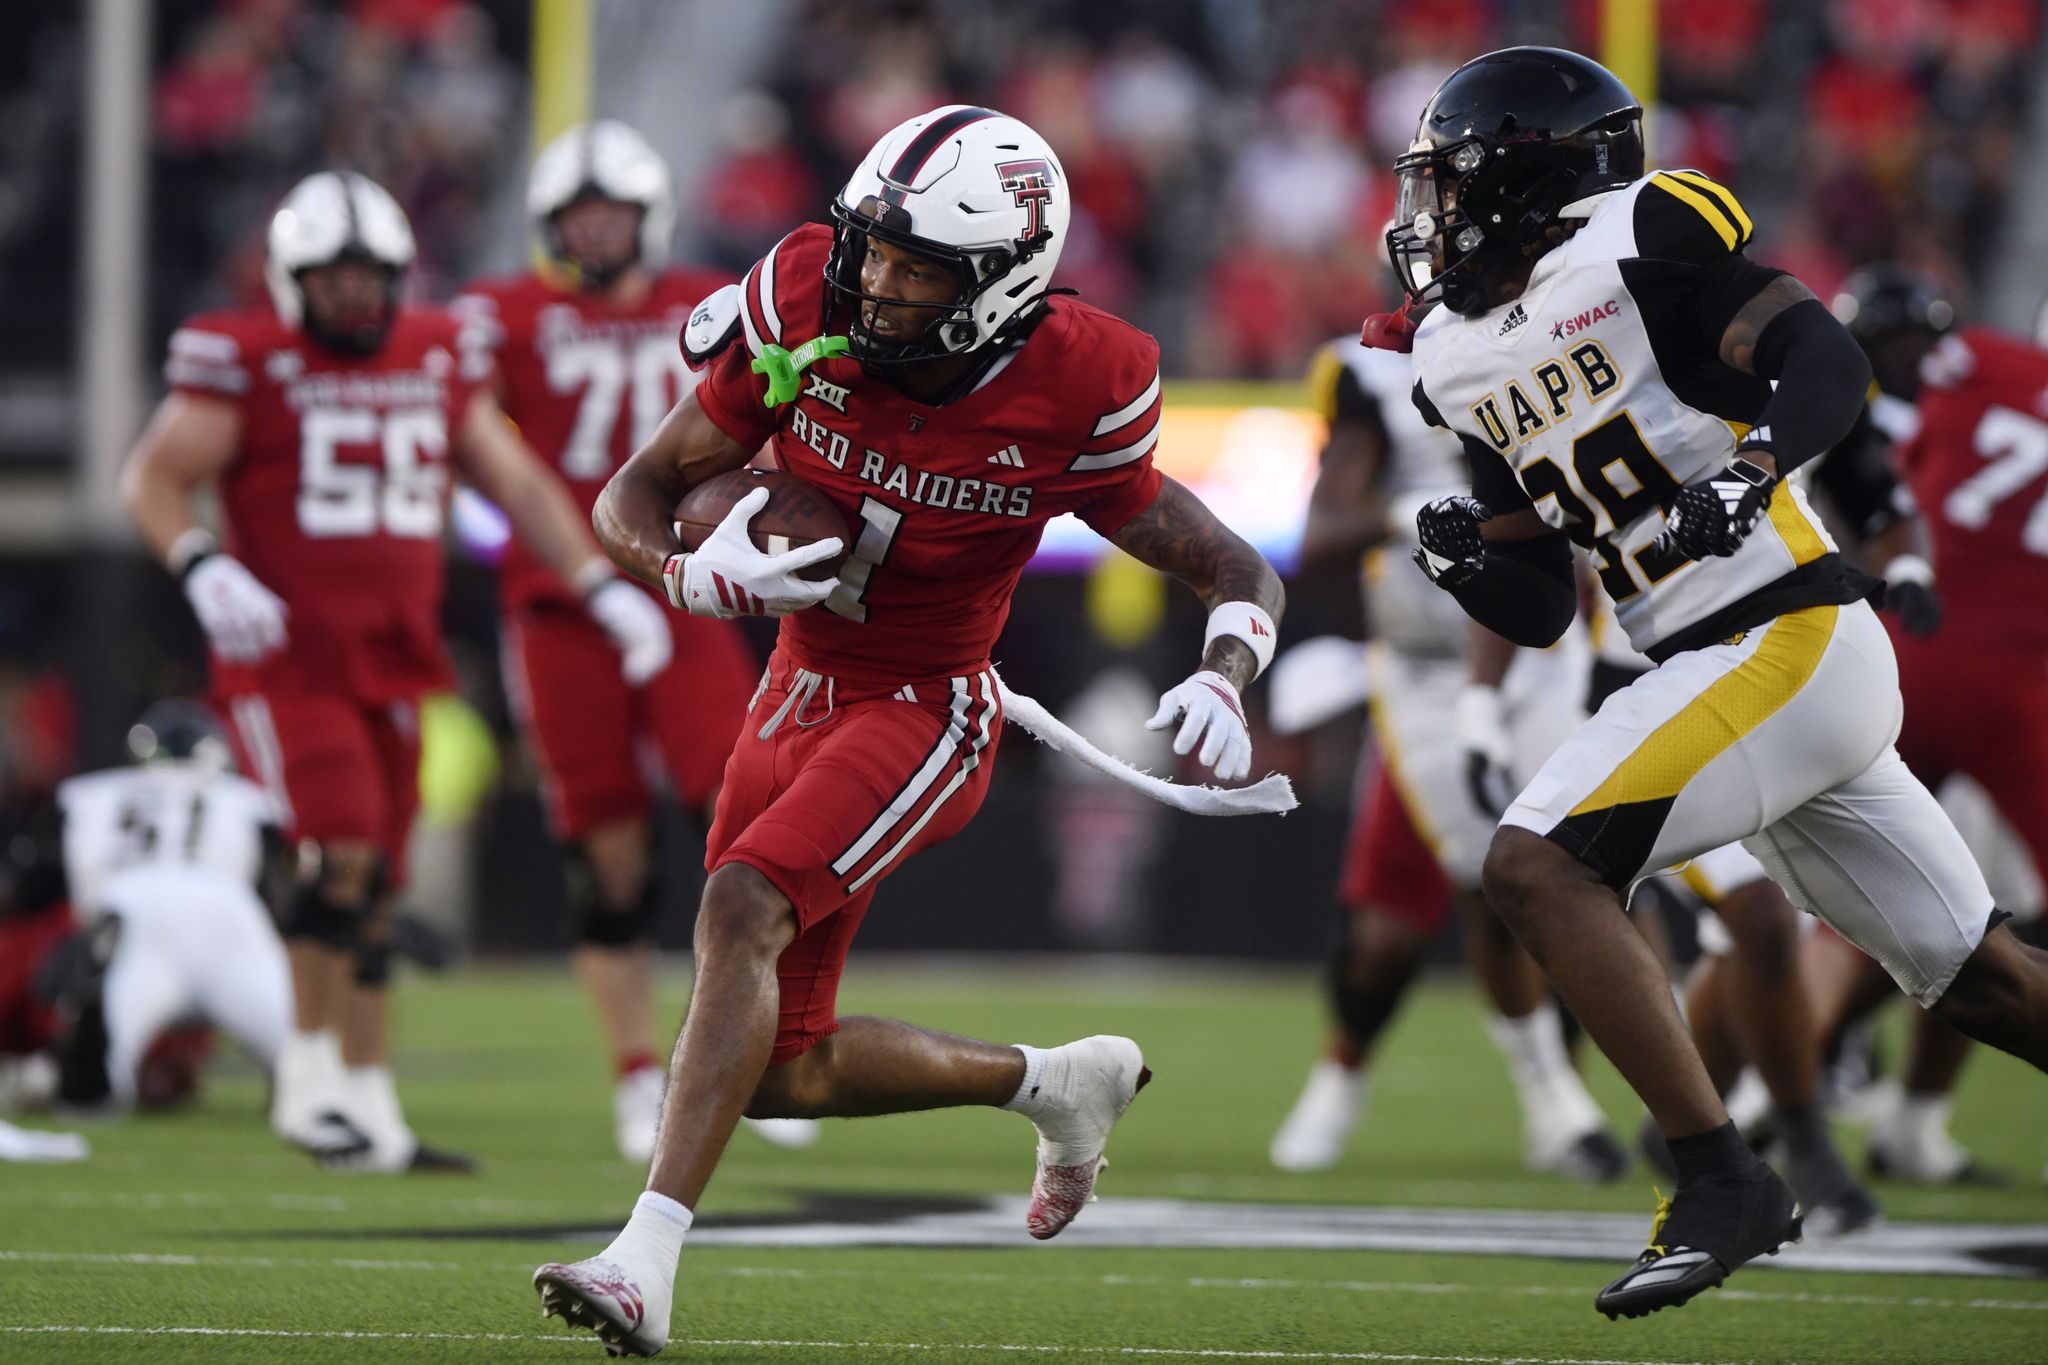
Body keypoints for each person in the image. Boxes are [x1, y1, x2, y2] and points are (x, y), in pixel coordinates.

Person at [533, 105, 1285, 1356]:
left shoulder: (1077, 384)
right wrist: (687, 575)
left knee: (735, 909)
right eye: (869, 250)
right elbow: (634, 492)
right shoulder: (800, 297)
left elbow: (1229, 565)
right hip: (791, 686)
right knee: (785, 1065)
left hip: (927, 705)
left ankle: (642, 1257)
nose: (873, 282)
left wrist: (1223, 673)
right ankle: (1054, 1082)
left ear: (1003, 285)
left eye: (914, 265)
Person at [1378, 47, 2048, 1319]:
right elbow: (1534, 601)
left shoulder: (1639, 239)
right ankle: (1728, 1170)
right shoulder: (1453, 356)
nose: (1432, 215)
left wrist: (1747, 466)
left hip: (1782, 632)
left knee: (1535, 863)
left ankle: (1716, 1177)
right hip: (1722, 666)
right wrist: (1467, 559)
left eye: (1455, 184)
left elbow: (1827, 363)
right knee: (1983, 981)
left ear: (1533, 179)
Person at [120, 170, 674, 1173]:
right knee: (335, 851)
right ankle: (304, 1082)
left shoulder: (431, 350)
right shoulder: (243, 356)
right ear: (291, 281)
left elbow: (513, 478)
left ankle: (366, 1101)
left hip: (395, 656)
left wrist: (596, 584)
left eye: (370, 276)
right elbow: (152, 474)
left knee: (375, 881)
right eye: (332, 279)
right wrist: (200, 565)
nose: (354, 298)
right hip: (289, 660)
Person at [454, 122, 811, 1162]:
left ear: (648, 218)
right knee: (605, 857)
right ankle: (632, 1071)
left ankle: (761, 1052)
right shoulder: (504, 314)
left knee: (746, 823)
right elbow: (477, 443)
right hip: (562, 609)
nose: (596, 233)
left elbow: (780, 419)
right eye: (578, 217)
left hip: (691, 594)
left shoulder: (710, 300)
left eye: (610, 214)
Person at [1270, 334, 1625, 1182]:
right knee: (1459, 893)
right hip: (1425, 670)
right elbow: (1319, 533)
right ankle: (1517, 1096)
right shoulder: (1376, 381)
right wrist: (1411, 515)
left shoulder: (1569, 332)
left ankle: (1584, 1103)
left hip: (1548, 652)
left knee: (1584, 877)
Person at [43, 700, 292, 1110]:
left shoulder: (88, 794)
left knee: (96, 1084)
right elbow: (285, 892)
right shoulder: (246, 799)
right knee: (304, 1059)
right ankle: (304, 1083)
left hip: (127, 913)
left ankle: (88, 1063)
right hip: (224, 910)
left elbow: (33, 879)